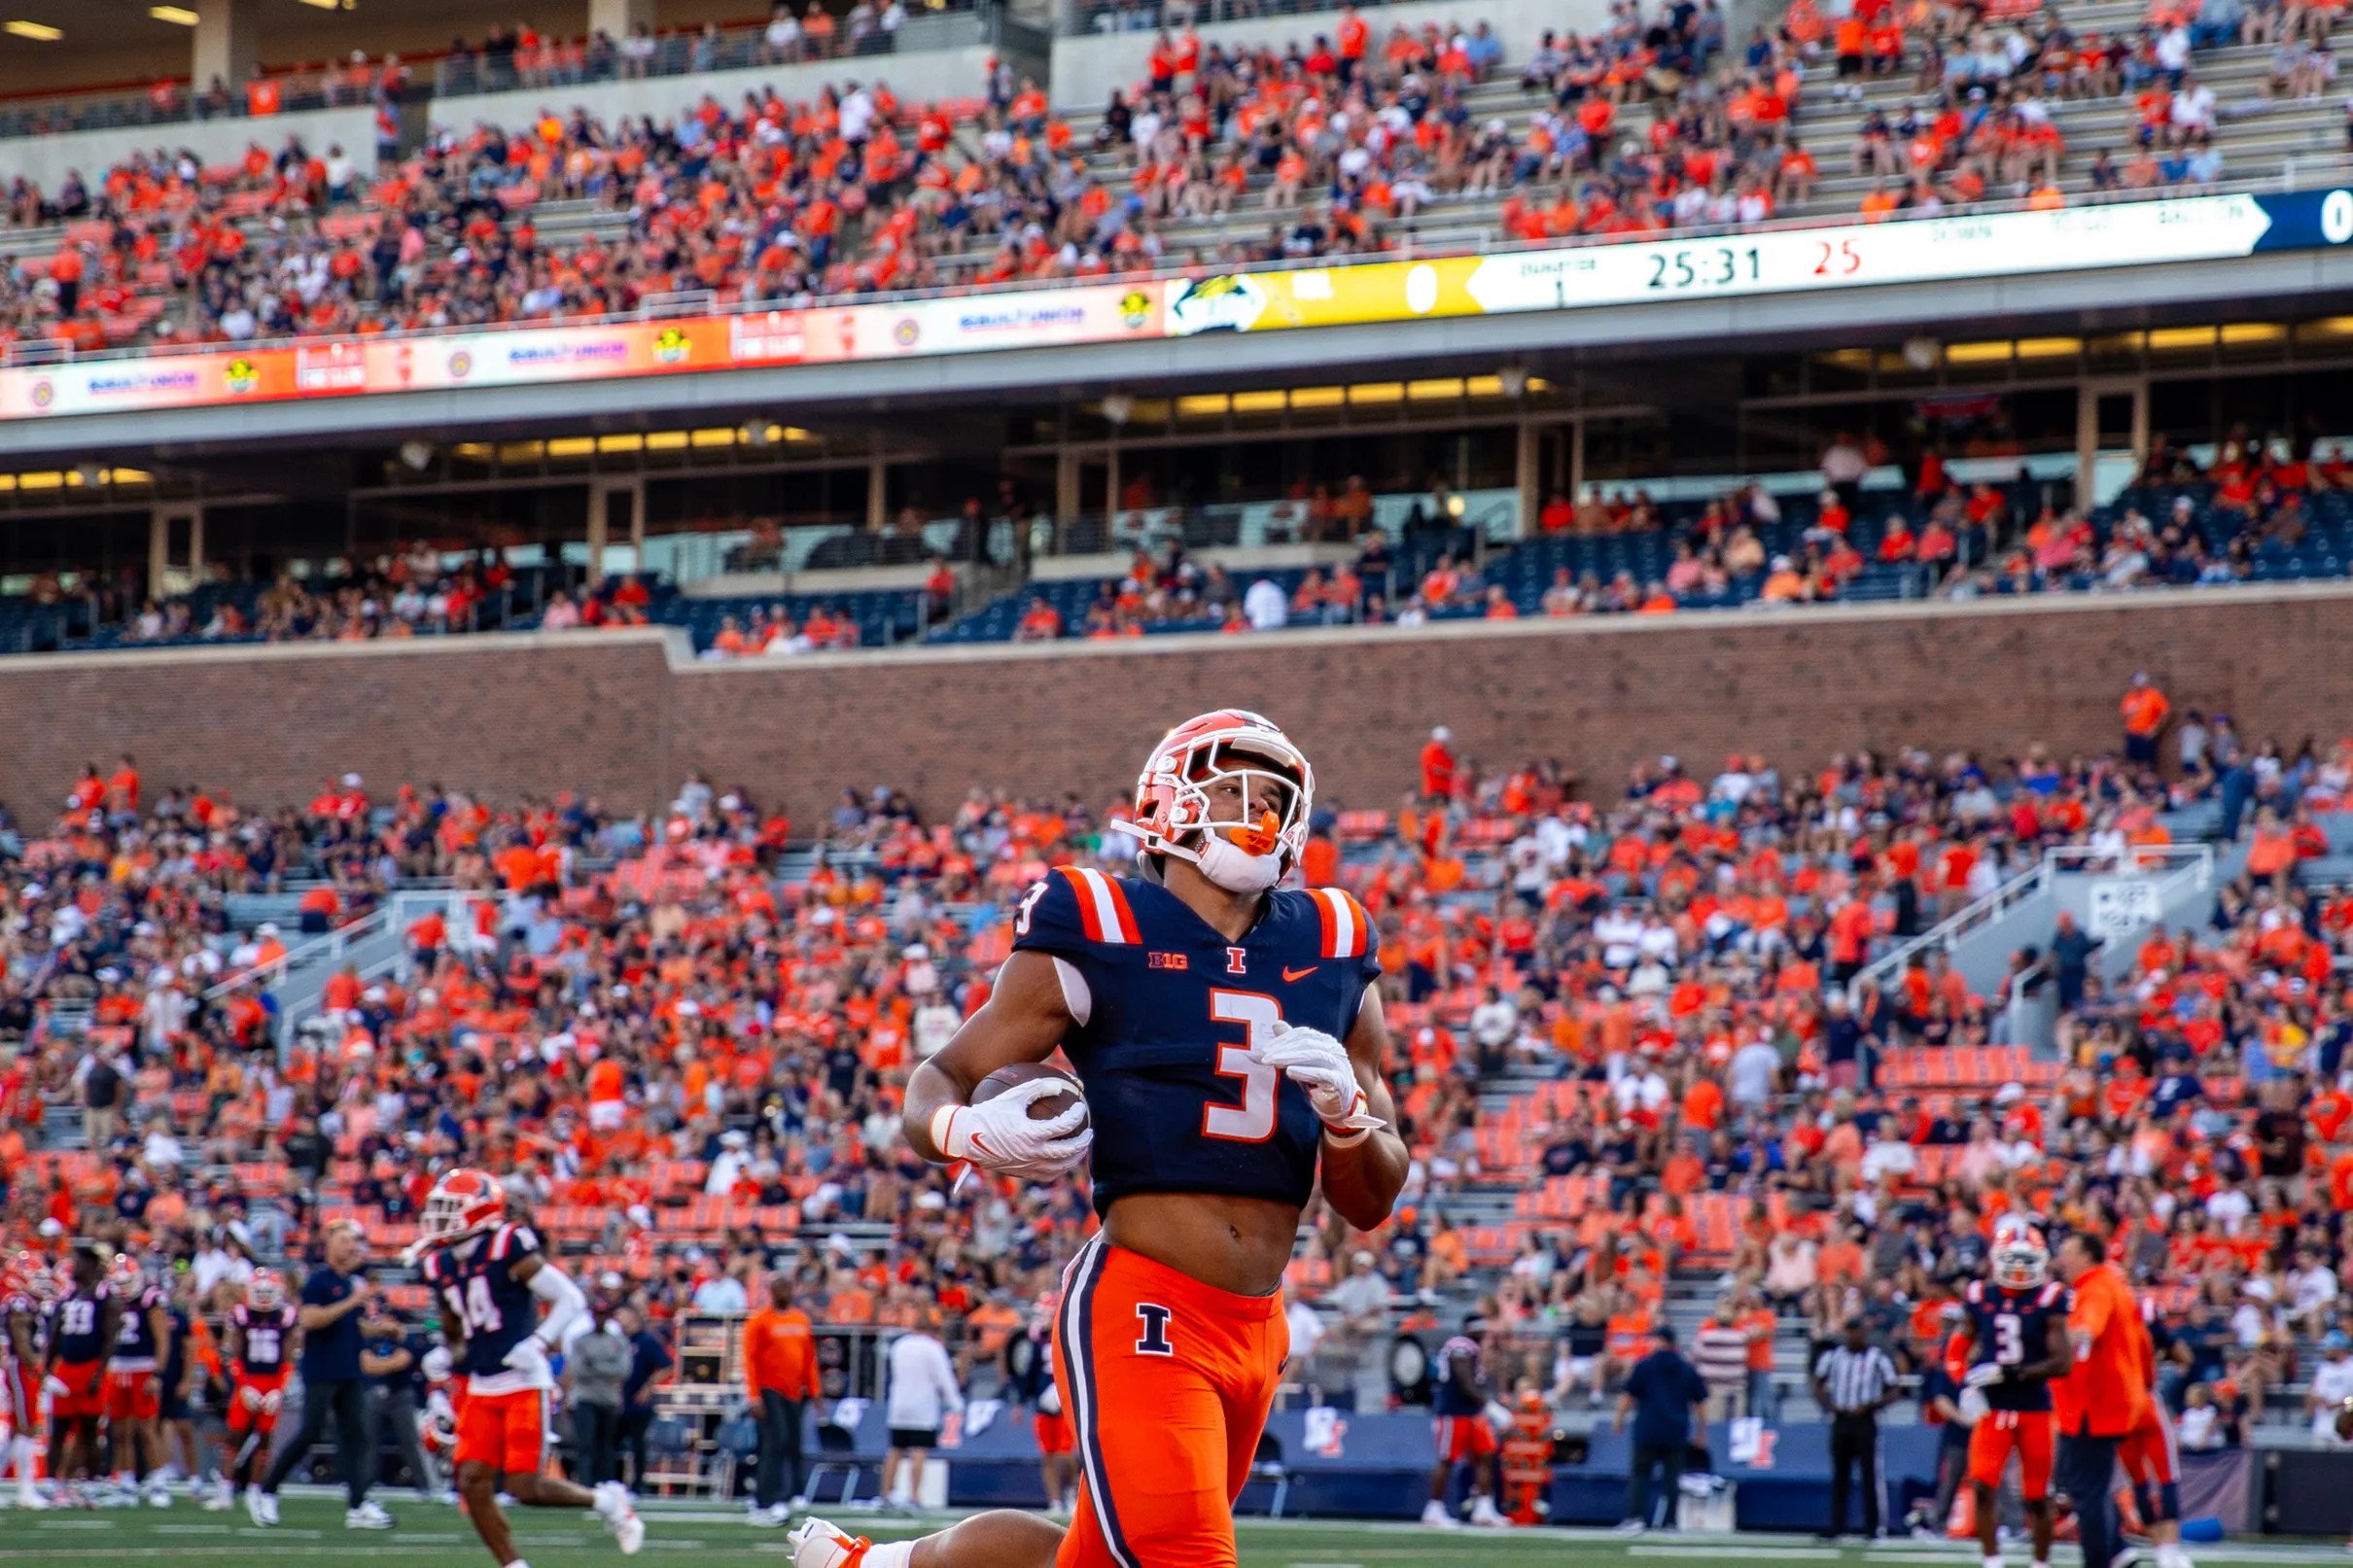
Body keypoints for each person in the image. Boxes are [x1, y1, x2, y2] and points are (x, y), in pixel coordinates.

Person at [793, 709, 1407, 1568]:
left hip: (1258, 1324)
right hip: (1144, 1303)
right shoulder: (1101, 921)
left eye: (1275, 797)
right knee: (1181, 1556)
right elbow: (940, 1077)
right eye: (1236, 789)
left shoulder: (1333, 937)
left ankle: (871, 1564)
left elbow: (1373, 1197)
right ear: (1169, 801)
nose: (1260, 811)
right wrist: (965, 1127)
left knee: (1093, 1559)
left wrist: (1348, 1116)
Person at [406, 1169, 643, 1564]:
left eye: (450, 1209)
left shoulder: (506, 1244)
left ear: (480, 1211)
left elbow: (570, 1298)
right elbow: (454, 1327)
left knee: (525, 1487)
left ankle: (606, 1501)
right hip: (482, 1383)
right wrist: (447, 1354)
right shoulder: (439, 1264)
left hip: (523, 1381)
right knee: (472, 1482)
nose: (439, 1219)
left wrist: (538, 1342)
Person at [1946, 1222, 2074, 1568]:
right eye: (2012, 1260)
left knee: (2038, 1494)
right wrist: (1965, 1385)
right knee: (1982, 1484)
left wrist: (2014, 1373)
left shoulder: (2049, 1298)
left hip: (2034, 1408)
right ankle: (1992, 1561)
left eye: (2026, 1260)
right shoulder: (1979, 1296)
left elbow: (2062, 1362)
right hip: (1994, 1408)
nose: (2018, 1269)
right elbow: (1956, 1351)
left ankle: (2041, 1563)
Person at [252, 1220, 386, 1529]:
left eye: (352, 1241)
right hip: (323, 1368)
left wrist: (380, 1329)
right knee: (310, 1432)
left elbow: (348, 1326)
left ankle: (358, 1504)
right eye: (344, 1240)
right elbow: (310, 1319)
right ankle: (267, 1489)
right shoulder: (320, 1282)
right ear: (330, 1244)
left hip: (348, 1369)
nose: (350, 1247)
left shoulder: (349, 1282)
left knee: (357, 1436)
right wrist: (350, 1302)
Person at [2053, 1231, 2148, 1568]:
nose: (2062, 1261)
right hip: (2102, 1401)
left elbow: (2087, 1330)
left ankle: (2099, 1560)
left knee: (2086, 1489)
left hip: (2095, 1405)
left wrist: (2047, 1338)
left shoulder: (2095, 1288)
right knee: (2087, 1480)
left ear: (2087, 1256)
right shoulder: (2108, 1284)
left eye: (2068, 1253)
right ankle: (2116, 1549)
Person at [211, 1270, 299, 1510]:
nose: (263, 1297)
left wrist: (278, 1389)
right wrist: (244, 1385)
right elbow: (233, 1355)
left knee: (265, 1439)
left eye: (268, 1292)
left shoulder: (285, 1316)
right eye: (259, 1292)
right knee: (234, 1435)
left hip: (272, 1382)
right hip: (247, 1381)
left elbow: (289, 1358)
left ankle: (255, 1490)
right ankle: (225, 1490)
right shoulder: (241, 1315)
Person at [1615, 1324, 1708, 1534]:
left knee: (1640, 1474)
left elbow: (1628, 1396)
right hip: (1676, 1430)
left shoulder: (1645, 1365)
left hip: (1648, 1429)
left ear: (1661, 1341)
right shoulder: (1686, 1368)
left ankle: (1636, 1517)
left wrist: (1619, 1419)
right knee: (1672, 1478)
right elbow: (1701, 1403)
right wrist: (1702, 1432)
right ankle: (1670, 1521)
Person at [2122, 1300, 2194, 1568]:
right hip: (2145, 1402)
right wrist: (2159, 1355)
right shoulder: (2145, 1317)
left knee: (2139, 1481)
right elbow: (2185, 1357)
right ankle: (2169, 1550)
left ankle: (2160, 1549)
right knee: (2166, 1478)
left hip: (2118, 1409)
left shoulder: (2107, 1315)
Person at [1812, 1317, 1898, 1540]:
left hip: (1866, 1420)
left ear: (1864, 1333)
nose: (1853, 1336)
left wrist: (1871, 1405)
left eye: (1857, 1332)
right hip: (1841, 1419)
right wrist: (1828, 1405)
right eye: (1850, 1332)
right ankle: (1837, 1526)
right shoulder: (1833, 1356)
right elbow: (1818, 1382)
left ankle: (1873, 1527)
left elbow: (1894, 1388)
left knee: (1870, 1474)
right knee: (1840, 1474)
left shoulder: (1876, 1357)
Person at [744, 1276, 821, 1524]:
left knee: (793, 1442)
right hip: (770, 1388)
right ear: (772, 1292)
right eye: (780, 1289)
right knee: (775, 1441)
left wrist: (815, 1390)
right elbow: (750, 1360)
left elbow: (809, 1357)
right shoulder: (760, 1320)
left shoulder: (800, 1319)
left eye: (788, 1288)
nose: (785, 1293)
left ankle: (791, 1492)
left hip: (795, 1390)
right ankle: (766, 1500)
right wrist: (754, 1396)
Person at [44, 1247, 118, 1499]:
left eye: (80, 1262)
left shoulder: (104, 1296)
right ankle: (53, 1482)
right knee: (59, 1428)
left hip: (90, 1366)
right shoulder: (68, 1294)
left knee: (89, 1429)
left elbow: (110, 1337)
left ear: (93, 1265)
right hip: (66, 1368)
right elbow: (55, 1334)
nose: (75, 1266)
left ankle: (90, 1483)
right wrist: (47, 1368)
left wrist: (99, 1372)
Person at [102, 1251, 172, 1506]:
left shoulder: (150, 1298)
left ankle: (159, 1483)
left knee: (147, 1429)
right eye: (118, 1283)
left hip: (143, 1367)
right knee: (120, 1430)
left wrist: (157, 1372)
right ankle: (125, 1485)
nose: (122, 1288)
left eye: (126, 1282)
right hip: (117, 1367)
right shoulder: (108, 1298)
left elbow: (163, 1339)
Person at [1422, 1328, 1507, 1529]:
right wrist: (1489, 1406)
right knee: (1447, 1460)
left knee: (1486, 1455)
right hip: (1454, 1413)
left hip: (1472, 1413)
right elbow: (1464, 1381)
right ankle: (1434, 1510)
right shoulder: (1460, 1346)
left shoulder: (1475, 1349)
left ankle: (1484, 1508)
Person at [360, 1297, 437, 1502]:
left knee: (409, 1441)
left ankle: (424, 1485)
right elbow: (366, 1364)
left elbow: (402, 1361)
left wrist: (381, 1365)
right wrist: (384, 1365)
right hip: (375, 1392)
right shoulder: (372, 1339)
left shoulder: (406, 1338)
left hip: (401, 1394)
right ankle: (366, 1483)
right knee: (369, 1441)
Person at [880, 1324, 963, 1512]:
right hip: (922, 1405)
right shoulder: (933, 1348)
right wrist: (955, 1402)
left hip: (898, 1404)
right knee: (919, 1450)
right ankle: (914, 1496)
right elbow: (944, 1377)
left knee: (895, 1449)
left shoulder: (900, 1345)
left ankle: (885, 1494)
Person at [4, 1250, 53, 1509]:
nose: (40, 1280)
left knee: (17, 1429)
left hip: (23, 1367)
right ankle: (26, 1490)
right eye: (35, 1275)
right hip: (21, 1368)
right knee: (27, 1427)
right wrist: (42, 1372)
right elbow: (22, 1344)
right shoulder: (18, 1303)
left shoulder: (28, 1302)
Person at [568, 1299, 633, 1491]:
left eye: (604, 1314)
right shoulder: (581, 1341)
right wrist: (606, 1368)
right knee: (585, 1444)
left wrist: (594, 1365)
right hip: (585, 1397)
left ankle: (605, 1484)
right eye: (597, 1314)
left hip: (609, 1398)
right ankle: (585, 1485)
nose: (600, 1318)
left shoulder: (618, 1341)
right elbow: (578, 1370)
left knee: (606, 1445)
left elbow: (623, 1370)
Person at [617, 1307, 673, 1491]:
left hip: (638, 1402)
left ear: (633, 1317)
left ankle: (637, 1484)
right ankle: (613, 1482)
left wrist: (648, 1387)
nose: (618, 1318)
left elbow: (667, 1365)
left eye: (622, 1314)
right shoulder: (617, 1340)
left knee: (638, 1445)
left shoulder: (647, 1340)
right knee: (611, 1444)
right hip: (617, 1401)